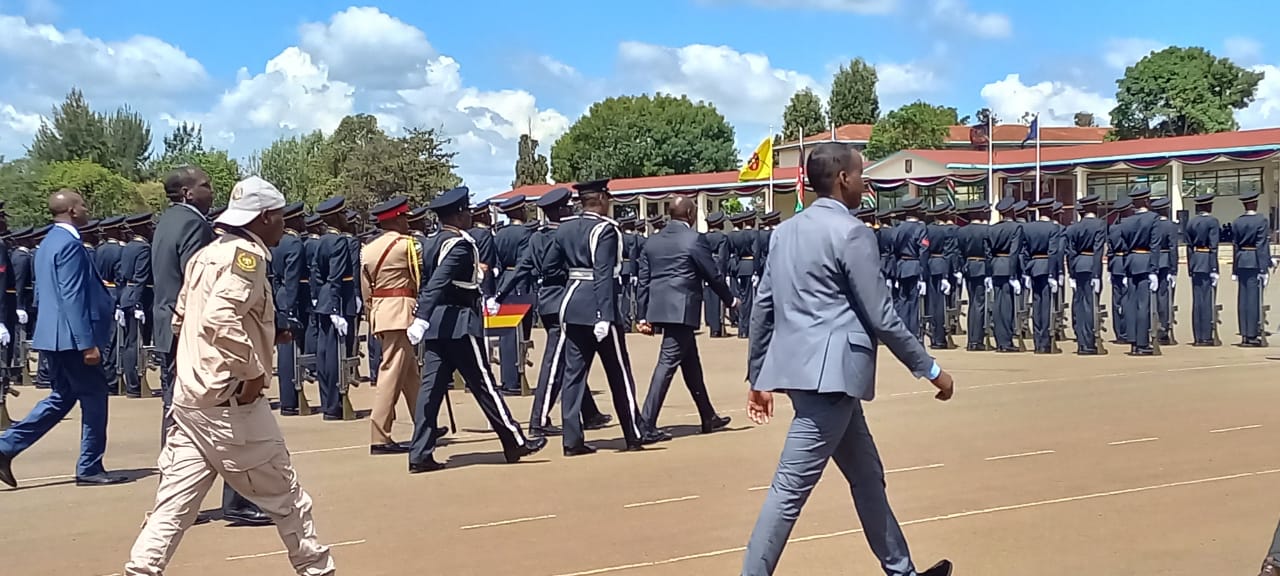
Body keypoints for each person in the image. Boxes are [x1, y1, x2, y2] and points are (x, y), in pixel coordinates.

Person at [741, 142, 953, 576]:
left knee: (867, 476)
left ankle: (902, 570)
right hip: (832, 379)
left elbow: (763, 307)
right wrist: (931, 370)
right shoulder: (852, 232)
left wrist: (758, 377)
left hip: (806, 374)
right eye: (861, 175)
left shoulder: (784, 233)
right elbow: (882, 316)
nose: (865, 183)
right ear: (843, 179)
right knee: (788, 490)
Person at [124, 177, 335, 576]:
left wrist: (263, 333)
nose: (284, 226)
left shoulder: (208, 253)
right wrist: (251, 369)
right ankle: (316, 569)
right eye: (280, 218)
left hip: (192, 399)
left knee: (173, 505)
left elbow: (183, 315)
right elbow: (220, 317)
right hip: (231, 403)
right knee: (287, 500)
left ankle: (140, 570)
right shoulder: (247, 258)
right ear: (266, 216)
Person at [152, 166, 269, 526]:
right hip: (198, 334)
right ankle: (239, 499)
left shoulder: (166, 221)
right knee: (229, 410)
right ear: (187, 193)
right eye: (205, 186)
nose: (211, 190)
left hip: (172, 329)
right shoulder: (194, 226)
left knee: (179, 413)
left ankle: (173, 494)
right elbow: (204, 283)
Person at [406, 186, 546, 473]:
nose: (470, 215)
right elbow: (440, 281)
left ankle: (420, 452)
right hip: (460, 322)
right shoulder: (458, 245)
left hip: (439, 327)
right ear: (457, 215)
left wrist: (426, 317)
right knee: (484, 384)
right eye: (466, 211)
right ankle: (515, 440)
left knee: (430, 391)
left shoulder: (431, 242)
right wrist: (421, 315)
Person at [0, 189, 126, 488]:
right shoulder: (69, 245)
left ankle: (6, 447)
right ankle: (90, 466)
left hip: (55, 336)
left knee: (62, 397)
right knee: (95, 398)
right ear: (71, 210)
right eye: (82, 204)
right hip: (72, 338)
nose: (86, 209)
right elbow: (71, 296)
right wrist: (87, 342)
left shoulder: (47, 243)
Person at [493, 187, 611, 437]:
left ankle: (589, 413)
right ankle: (539, 419)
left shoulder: (536, 236)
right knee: (555, 361)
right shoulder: (564, 235)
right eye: (567, 207)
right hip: (563, 298)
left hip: (546, 299)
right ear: (560, 210)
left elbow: (522, 268)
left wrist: (500, 295)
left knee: (573, 358)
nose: (571, 210)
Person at [554, 179, 650, 456]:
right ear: (601, 199)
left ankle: (571, 439)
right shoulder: (605, 229)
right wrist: (603, 315)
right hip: (599, 307)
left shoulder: (566, 227)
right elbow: (603, 274)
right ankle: (633, 432)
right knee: (619, 373)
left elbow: (552, 266)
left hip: (572, 303)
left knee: (573, 375)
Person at [635, 197, 737, 441]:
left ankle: (708, 415)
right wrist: (731, 300)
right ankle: (645, 423)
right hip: (682, 309)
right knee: (666, 364)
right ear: (690, 213)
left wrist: (641, 315)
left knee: (692, 366)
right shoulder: (694, 239)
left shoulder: (653, 241)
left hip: (661, 309)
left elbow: (643, 280)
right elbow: (712, 274)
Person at [360, 196, 422, 454]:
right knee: (390, 374)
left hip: (381, 312)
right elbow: (418, 278)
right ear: (397, 219)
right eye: (404, 217)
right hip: (401, 311)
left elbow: (366, 290)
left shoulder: (367, 249)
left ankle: (424, 421)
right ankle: (379, 434)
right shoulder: (408, 245)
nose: (407, 221)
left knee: (409, 373)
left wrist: (371, 314)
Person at [313, 197, 356, 420]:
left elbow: (317, 276)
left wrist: (321, 299)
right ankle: (334, 404)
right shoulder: (338, 242)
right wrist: (335, 308)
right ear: (337, 217)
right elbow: (336, 277)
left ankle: (328, 402)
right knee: (334, 355)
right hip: (337, 300)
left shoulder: (320, 241)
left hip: (324, 299)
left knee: (324, 352)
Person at [492, 195, 536, 395]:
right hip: (519, 284)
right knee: (519, 334)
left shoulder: (499, 234)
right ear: (519, 211)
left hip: (503, 281)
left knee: (505, 334)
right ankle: (515, 379)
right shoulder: (526, 234)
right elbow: (524, 263)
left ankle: (507, 378)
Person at [273, 202, 308, 415]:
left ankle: (288, 399)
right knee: (290, 350)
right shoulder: (294, 243)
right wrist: (292, 307)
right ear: (293, 220)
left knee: (284, 350)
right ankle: (290, 399)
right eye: (301, 218)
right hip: (291, 299)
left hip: (280, 296)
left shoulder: (277, 243)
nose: (304, 222)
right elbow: (293, 278)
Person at [1120, 185, 1161, 355]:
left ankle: (1133, 341)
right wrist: (1154, 269)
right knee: (1143, 305)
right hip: (1145, 262)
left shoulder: (1126, 221)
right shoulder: (1153, 218)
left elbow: (1123, 245)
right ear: (1146, 200)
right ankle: (1142, 343)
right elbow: (1155, 245)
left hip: (1130, 262)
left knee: (1131, 304)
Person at [1064, 194, 1106, 355]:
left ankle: (1081, 339)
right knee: (1089, 305)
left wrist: (1071, 273)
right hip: (1091, 266)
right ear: (1095, 208)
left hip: (1078, 266)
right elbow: (1098, 250)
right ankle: (1088, 342)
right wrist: (1096, 273)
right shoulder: (1099, 225)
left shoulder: (1073, 227)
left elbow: (1070, 252)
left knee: (1079, 304)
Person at [118, 212, 154, 397]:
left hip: (126, 295)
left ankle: (131, 383)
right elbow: (141, 277)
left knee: (129, 342)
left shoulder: (128, 247)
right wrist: (139, 303)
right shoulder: (143, 249)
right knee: (136, 343)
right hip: (138, 298)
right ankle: (135, 384)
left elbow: (121, 275)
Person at [1232, 190, 1271, 346]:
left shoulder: (1237, 221)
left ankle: (1244, 332)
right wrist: (1264, 268)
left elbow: (1235, 246)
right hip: (1254, 260)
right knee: (1253, 299)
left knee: (1243, 299)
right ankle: (1252, 334)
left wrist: (1234, 269)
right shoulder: (1261, 220)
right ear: (1255, 203)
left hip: (1242, 259)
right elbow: (1262, 245)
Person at [1025, 198, 1062, 354]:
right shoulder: (1053, 228)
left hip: (1033, 266)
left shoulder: (1028, 228)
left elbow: (1024, 251)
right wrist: (1054, 273)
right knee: (1046, 306)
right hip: (1046, 266)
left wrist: (1026, 271)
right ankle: (1044, 342)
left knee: (1036, 304)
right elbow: (1054, 252)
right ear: (1050, 211)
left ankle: (1037, 341)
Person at [989, 197, 1024, 352]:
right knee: (1007, 306)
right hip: (1008, 267)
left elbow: (988, 252)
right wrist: (1012, 275)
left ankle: (1000, 340)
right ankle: (1006, 341)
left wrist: (990, 272)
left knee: (997, 305)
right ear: (1012, 211)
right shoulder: (1016, 228)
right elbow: (1014, 252)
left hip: (996, 266)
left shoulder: (992, 228)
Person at [1184, 194, 1220, 346]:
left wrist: (1190, 266)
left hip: (1196, 260)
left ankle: (1197, 335)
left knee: (1197, 300)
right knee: (1206, 300)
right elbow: (1213, 246)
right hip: (1206, 260)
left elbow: (1189, 246)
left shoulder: (1191, 222)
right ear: (1207, 206)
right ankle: (1206, 335)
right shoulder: (1212, 221)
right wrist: (1214, 267)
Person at [956, 201, 992, 350]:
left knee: (973, 304)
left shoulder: (962, 231)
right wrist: (990, 272)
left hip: (968, 267)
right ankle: (976, 340)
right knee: (979, 304)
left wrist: (962, 267)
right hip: (982, 267)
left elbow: (959, 253)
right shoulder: (986, 230)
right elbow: (988, 253)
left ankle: (972, 339)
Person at [892, 198, 927, 341]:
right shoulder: (920, 227)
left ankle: (902, 331)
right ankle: (912, 333)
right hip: (914, 267)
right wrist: (923, 276)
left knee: (902, 300)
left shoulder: (898, 228)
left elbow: (893, 250)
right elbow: (923, 251)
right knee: (913, 302)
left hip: (901, 267)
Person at [728, 211, 758, 339]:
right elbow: (756, 253)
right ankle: (747, 329)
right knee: (749, 301)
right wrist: (756, 271)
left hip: (740, 266)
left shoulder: (738, 235)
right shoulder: (754, 234)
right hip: (750, 266)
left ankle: (741, 328)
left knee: (741, 298)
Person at [1152, 197, 1178, 344]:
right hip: (1165, 262)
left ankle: (1152, 326)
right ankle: (1163, 328)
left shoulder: (1152, 225)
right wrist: (1174, 269)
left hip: (1153, 261)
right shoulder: (1170, 226)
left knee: (1152, 296)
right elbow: (1173, 248)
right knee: (1164, 297)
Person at [702, 212, 731, 338]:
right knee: (718, 298)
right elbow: (723, 258)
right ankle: (718, 327)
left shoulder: (703, 237)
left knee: (708, 297)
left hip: (706, 268)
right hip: (717, 268)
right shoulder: (722, 238)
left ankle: (711, 324)